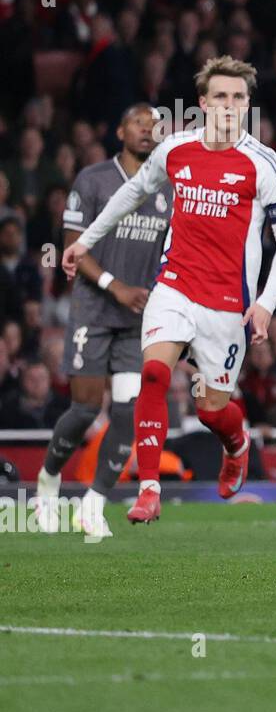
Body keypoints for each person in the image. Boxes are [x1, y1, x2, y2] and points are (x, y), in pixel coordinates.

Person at [61, 56, 276, 524]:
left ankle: (237, 442)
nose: (229, 105)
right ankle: (149, 490)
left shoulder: (264, 163)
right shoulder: (175, 149)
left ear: (247, 103)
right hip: (174, 286)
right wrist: (85, 240)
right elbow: (133, 192)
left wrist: (266, 305)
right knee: (153, 375)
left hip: (229, 303)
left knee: (212, 410)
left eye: (237, 97)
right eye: (220, 96)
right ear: (203, 102)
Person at [35, 103, 172, 538]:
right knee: (85, 408)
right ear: (119, 131)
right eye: (138, 122)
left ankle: (94, 503)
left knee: (131, 412)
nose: (147, 130)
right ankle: (48, 481)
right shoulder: (92, 180)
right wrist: (115, 286)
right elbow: (73, 244)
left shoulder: (167, 185)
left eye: (154, 125)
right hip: (94, 311)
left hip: (137, 318)